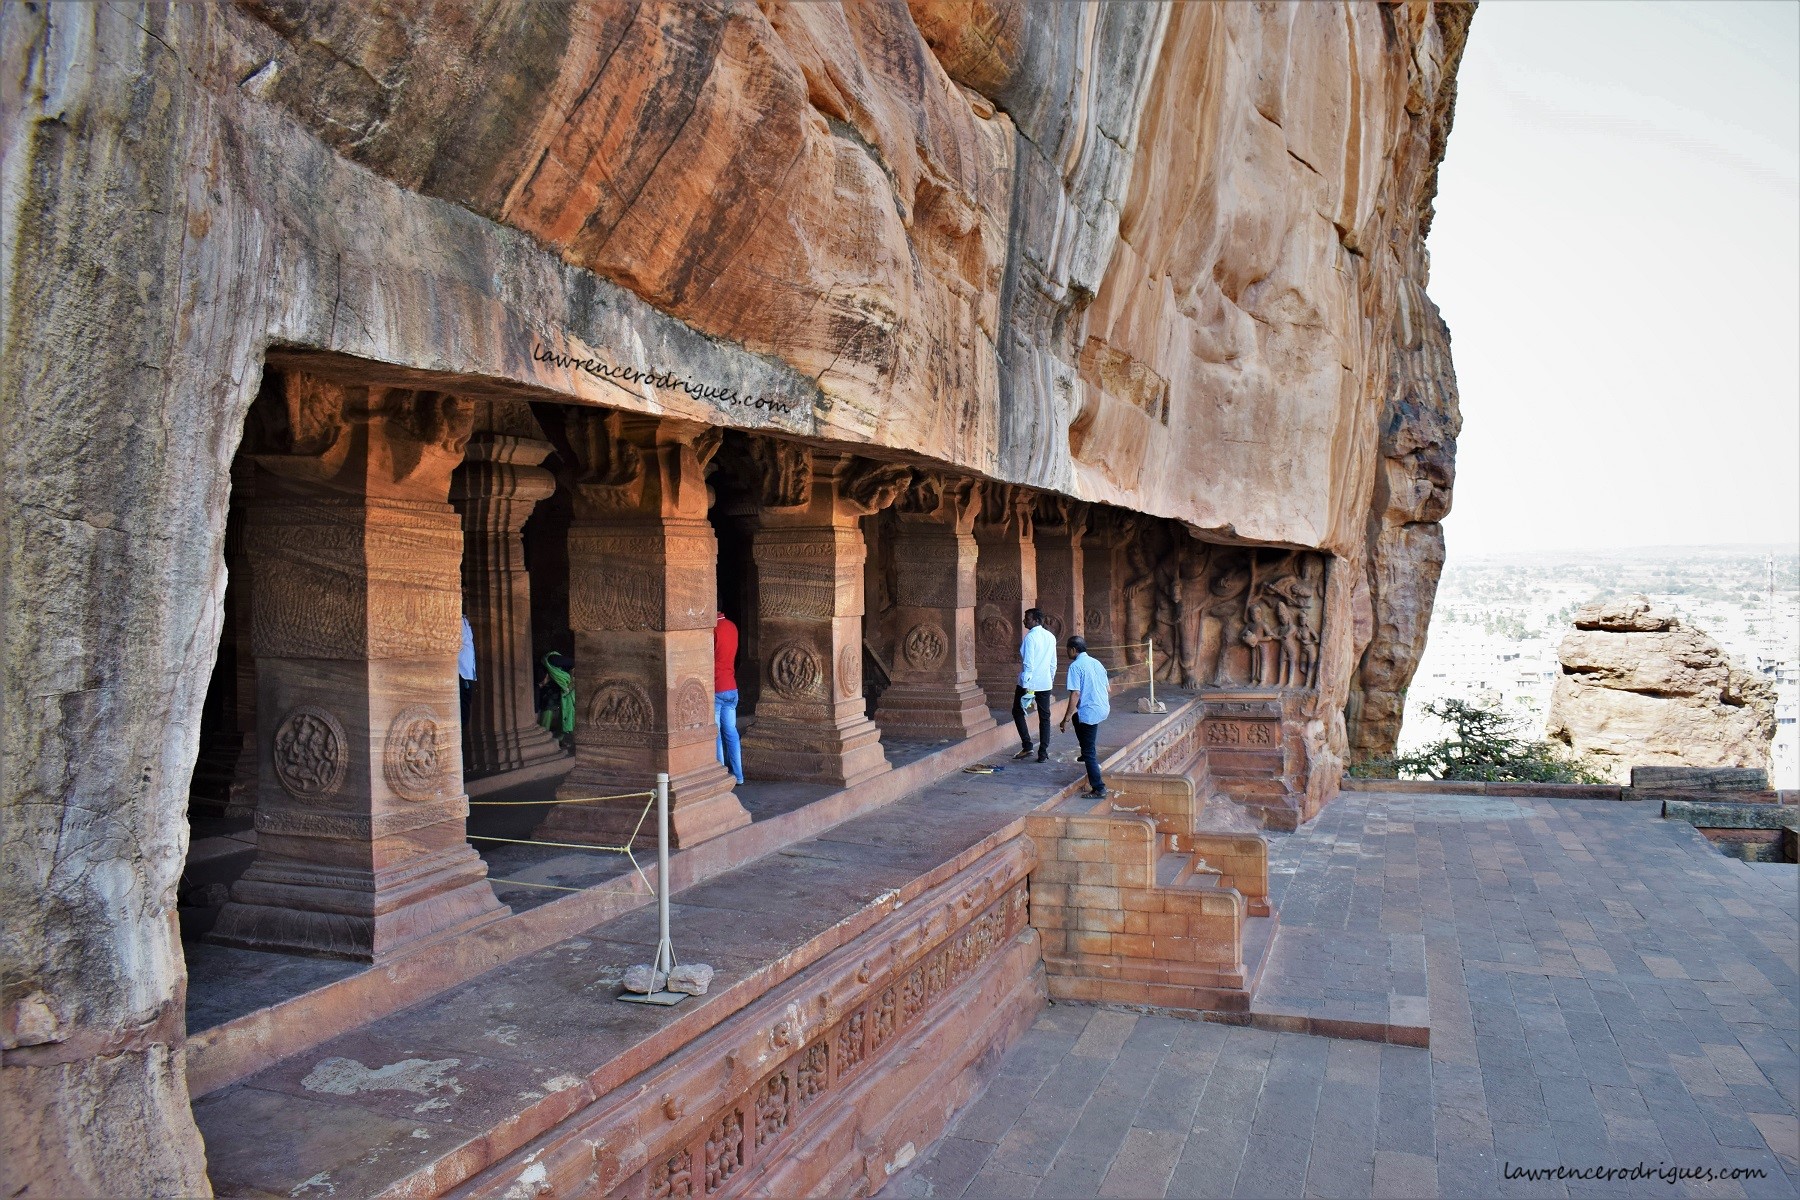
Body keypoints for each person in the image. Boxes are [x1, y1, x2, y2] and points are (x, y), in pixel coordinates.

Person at [1059, 635, 1111, 799]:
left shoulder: (1075, 666)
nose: (1067, 652)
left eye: (1068, 649)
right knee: (1077, 719)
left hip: (1090, 711)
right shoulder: (1096, 663)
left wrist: (1065, 717)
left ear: (1073, 650)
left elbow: (1075, 693)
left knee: (1090, 752)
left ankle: (1099, 788)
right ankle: (1086, 751)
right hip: (1103, 707)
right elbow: (1108, 688)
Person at [1013, 607, 1057, 761]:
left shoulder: (1030, 638)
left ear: (1037, 620)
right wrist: (1049, 680)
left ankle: (1027, 745)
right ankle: (1043, 752)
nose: (1025, 620)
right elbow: (1053, 663)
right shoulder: (1050, 637)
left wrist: (1026, 687)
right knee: (1044, 717)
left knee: (1017, 712)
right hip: (1044, 683)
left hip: (1029, 684)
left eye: (1028, 618)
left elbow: (1028, 664)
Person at [714, 611, 744, 785]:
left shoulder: (712, 629)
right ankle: (738, 775)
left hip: (716, 687)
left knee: (716, 733)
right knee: (731, 732)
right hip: (731, 686)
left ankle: (720, 777)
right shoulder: (732, 626)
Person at [458, 614, 476, 725]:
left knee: (466, 703)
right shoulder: (457, 619)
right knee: (462, 707)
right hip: (461, 669)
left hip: (468, 670)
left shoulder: (464, 620)